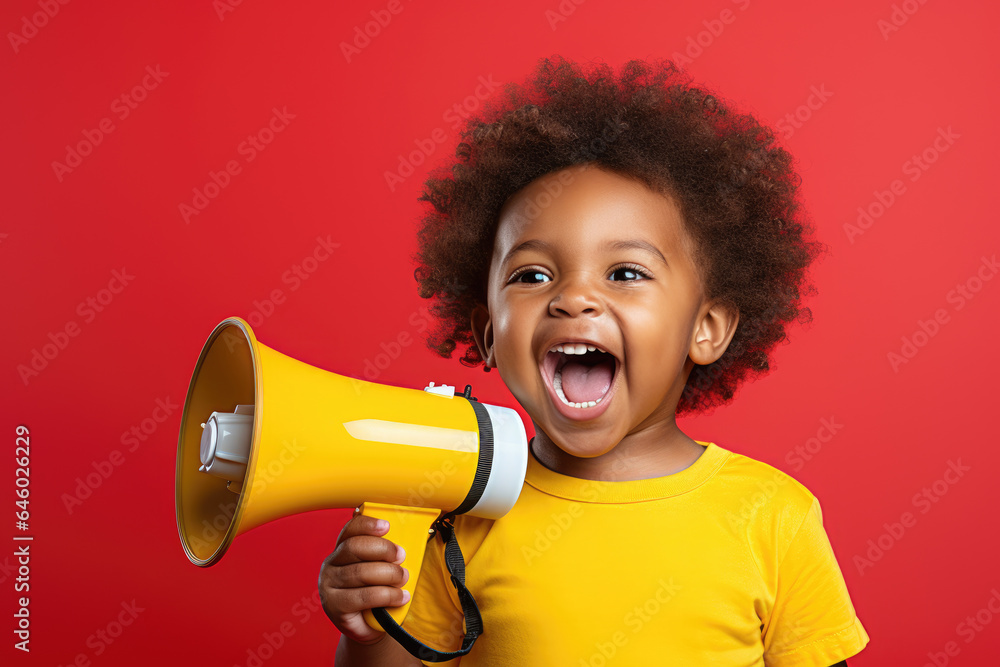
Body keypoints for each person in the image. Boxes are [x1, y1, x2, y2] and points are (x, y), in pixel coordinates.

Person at [318, 56, 869, 666]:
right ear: (488, 334)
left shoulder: (773, 517)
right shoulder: (460, 517)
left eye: (625, 273)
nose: (574, 297)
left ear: (706, 328)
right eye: (532, 275)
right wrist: (367, 630)